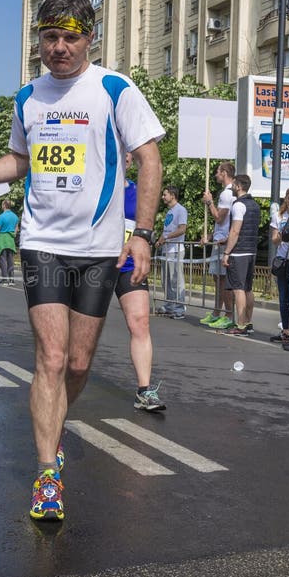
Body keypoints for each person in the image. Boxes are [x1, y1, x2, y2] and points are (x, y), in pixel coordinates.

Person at [0, 0, 164, 520]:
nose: (59, 47)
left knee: (80, 363)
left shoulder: (113, 88)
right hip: (43, 245)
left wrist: (143, 234)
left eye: (70, 37)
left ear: (89, 37)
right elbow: (20, 161)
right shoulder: (27, 98)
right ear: (37, 37)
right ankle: (46, 474)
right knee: (52, 359)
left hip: (100, 247)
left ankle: (53, 430)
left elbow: (148, 160)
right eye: (49, 36)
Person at [116, 154, 165, 412]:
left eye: (128, 154)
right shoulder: (93, 188)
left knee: (140, 321)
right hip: (95, 265)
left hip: (128, 266)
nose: (124, 158)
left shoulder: (138, 191)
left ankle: (145, 391)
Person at [221, 174, 261, 335]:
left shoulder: (238, 205)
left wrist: (226, 252)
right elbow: (246, 230)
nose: (231, 189)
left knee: (238, 289)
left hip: (239, 253)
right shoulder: (255, 205)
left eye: (233, 186)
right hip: (251, 250)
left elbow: (236, 230)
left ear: (238, 186)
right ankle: (248, 322)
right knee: (248, 289)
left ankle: (241, 324)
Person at [200, 162, 236, 329]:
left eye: (217, 172)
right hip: (220, 239)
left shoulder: (226, 194)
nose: (215, 175)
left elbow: (219, 218)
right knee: (218, 278)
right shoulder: (232, 193)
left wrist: (209, 202)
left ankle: (228, 314)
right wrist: (212, 234)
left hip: (223, 244)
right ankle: (216, 312)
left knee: (223, 280)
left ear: (224, 173)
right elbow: (225, 223)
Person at [270, 186, 289, 342]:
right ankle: (286, 330)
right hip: (282, 260)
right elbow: (275, 239)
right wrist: (283, 233)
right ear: (285, 199)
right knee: (284, 298)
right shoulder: (279, 216)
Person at [156, 186, 187, 319]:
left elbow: (182, 229)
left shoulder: (181, 210)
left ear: (172, 195)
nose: (163, 197)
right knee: (166, 280)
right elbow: (168, 230)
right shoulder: (170, 212)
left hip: (176, 250)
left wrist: (166, 238)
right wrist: (160, 240)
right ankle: (169, 305)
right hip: (167, 249)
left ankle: (179, 308)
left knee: (176, 280)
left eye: (165, 195)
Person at [0, 199, 19, 285]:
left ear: (4, 205)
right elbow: (16, 229)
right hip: (11, 240)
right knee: (10, 260)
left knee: (3, 260)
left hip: (2, 240)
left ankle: (4, 279)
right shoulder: (15, 216)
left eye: (2, 205)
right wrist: (13, 234)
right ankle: (11, 280)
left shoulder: (2, 216)